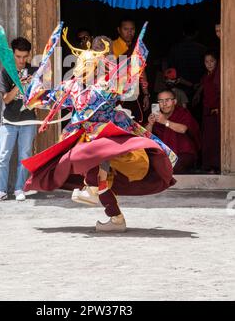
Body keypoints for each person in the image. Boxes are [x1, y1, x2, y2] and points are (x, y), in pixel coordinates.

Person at [15, 23, 176, 233]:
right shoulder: (72, 87)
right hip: (87, 139)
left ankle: (91, 188)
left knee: (90, 160)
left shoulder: (106, 86)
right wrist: (31, 86)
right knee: (96, 175)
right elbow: (43, 99)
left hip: (107, 139)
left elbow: (128, 85)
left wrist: (135, 63)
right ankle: (116, 219)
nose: (85, 68)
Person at [0, 37, 37, 203]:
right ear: (13, 55)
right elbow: (6, 99)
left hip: (28, 119)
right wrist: (18, 84)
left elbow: (41, 99)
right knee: (3, 156)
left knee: (25, 155)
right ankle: (0, 190)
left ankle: (19, 188)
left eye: (25, 57)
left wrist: (34, 86)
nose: (22, 61)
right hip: (9, 120)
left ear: (29, 55)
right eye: (18, 57)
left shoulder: (35, 71)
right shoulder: (5, 72)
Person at [146, 89, 201, 174]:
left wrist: (165, 122)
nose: (164, 104)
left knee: (173, 167)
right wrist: (150, 124)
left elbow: (183, 129)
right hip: (163, 154)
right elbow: (146, 136)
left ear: (174, 101)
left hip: (182, 153)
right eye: (161, 101)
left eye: (167, 100)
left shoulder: (182, 113)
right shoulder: (157, 116)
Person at [112, 18, 150, 116]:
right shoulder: (111, 47)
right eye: (125, 29)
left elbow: (141, 71)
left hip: (134, 93)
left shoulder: (137, 47)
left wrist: (146, 94)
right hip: (115, 95)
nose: (129, 32)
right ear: (119, 30)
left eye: (132, 29)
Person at [193, 51, 220, 173]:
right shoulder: (206, 76)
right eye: (206, 62)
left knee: (215, 139)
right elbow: (203, 86)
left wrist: (219, 107)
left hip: (216, 112)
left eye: (212, 61)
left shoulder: (219, 75)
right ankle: (208, 166)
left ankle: (215, 166)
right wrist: (197, 95)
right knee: (207, 139)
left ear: (217, 61)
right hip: (207, 111)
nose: (209, 64)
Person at [167, 21, 207, 100]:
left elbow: (170, 71)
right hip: (199, 88)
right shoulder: (203, 49)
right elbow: (208, 72)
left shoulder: (174, 49)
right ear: (196, 33)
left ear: (183, 33)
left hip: (180, 89)